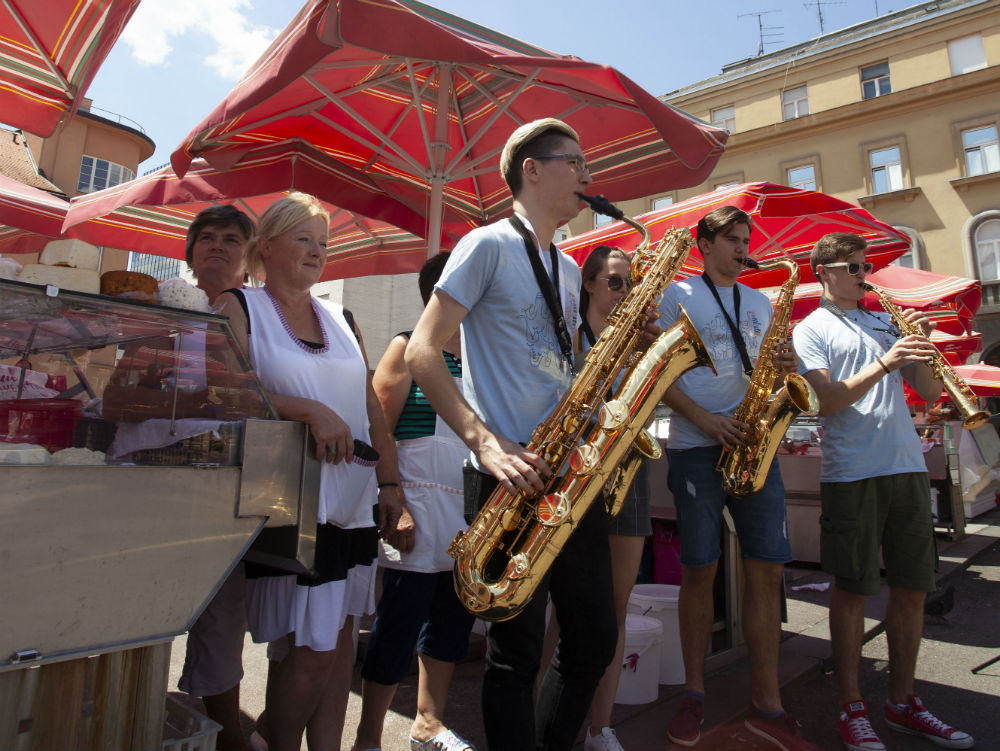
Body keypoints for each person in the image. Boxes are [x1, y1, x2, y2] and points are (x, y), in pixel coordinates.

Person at [405, 118, 619, 751]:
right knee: (515, 654)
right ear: (532, 168)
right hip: (511, 474)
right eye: (574, 162)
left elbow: (558, 363)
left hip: (568, 471)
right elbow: (422, 351)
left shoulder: (568, 263)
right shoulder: (487, 244)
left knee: (594, 642)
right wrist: (484, 442)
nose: (587, 176)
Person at [216, 192, 404, 751]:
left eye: (323, 243)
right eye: (304, 239)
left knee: (339, 638)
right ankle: (273, 743)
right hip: (291, 501)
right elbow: (225, 393)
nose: (317, 251)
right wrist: (308, 410)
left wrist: (391, 483)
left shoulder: (341, 317)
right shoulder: (240, 305)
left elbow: (370, 406)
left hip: (351, 501)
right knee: (312, 648)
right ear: (266, 245)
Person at [792, 232, 974, 751]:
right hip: (853, 471)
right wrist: (887, 362)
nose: (862, 275)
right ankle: (851, 706)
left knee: (915, 588)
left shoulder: (882, 320)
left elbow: (933, 391)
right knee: (853, 590)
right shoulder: (812, 329)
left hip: (906, 465)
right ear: (823, 271)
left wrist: (922, 348)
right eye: (852, 267)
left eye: (863, 265)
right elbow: (824, 401)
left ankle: (903, 701)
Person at [658, 206, 816, 750]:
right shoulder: (675, 295)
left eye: (746, 239)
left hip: (756, 445)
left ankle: (768, 700)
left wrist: (787, 367)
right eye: (732, 239)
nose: (743, 248)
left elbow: (770, 368)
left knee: (767, 571)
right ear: (704, 244)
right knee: (700, 571)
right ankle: (695, 692)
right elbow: (653, 373)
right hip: (697, 447)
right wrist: (704, 420)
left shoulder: (761, 301)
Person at [351, 252, 477, 751]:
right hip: (418, 507)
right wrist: (395, 500)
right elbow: (378, 428)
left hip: (469, 512)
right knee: (399, 624)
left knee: (451, 622)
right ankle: (367, 736)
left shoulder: (483, 357)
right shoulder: (406, 347)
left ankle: (428, 723)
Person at [542, 245, 652, 751]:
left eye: (628, 283)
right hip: (574, 474)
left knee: (616, 606)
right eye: (613, 281)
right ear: (587, 284)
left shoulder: (637, 338)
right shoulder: (566, 335)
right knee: (566, 609)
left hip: (624, 469)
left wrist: (644, 358)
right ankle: (543, 717)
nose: (622, 291)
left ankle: (598, 728)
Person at [175, 205, 257, 751]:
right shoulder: (166, 306)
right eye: (206, 238)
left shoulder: (251, 312)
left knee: (220, 614)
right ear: (189, 252)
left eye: (231, 239)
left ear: (250, 258)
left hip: (217, 477)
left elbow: (241, 392)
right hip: (146, 474)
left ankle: (226, 733)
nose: (217, 247)